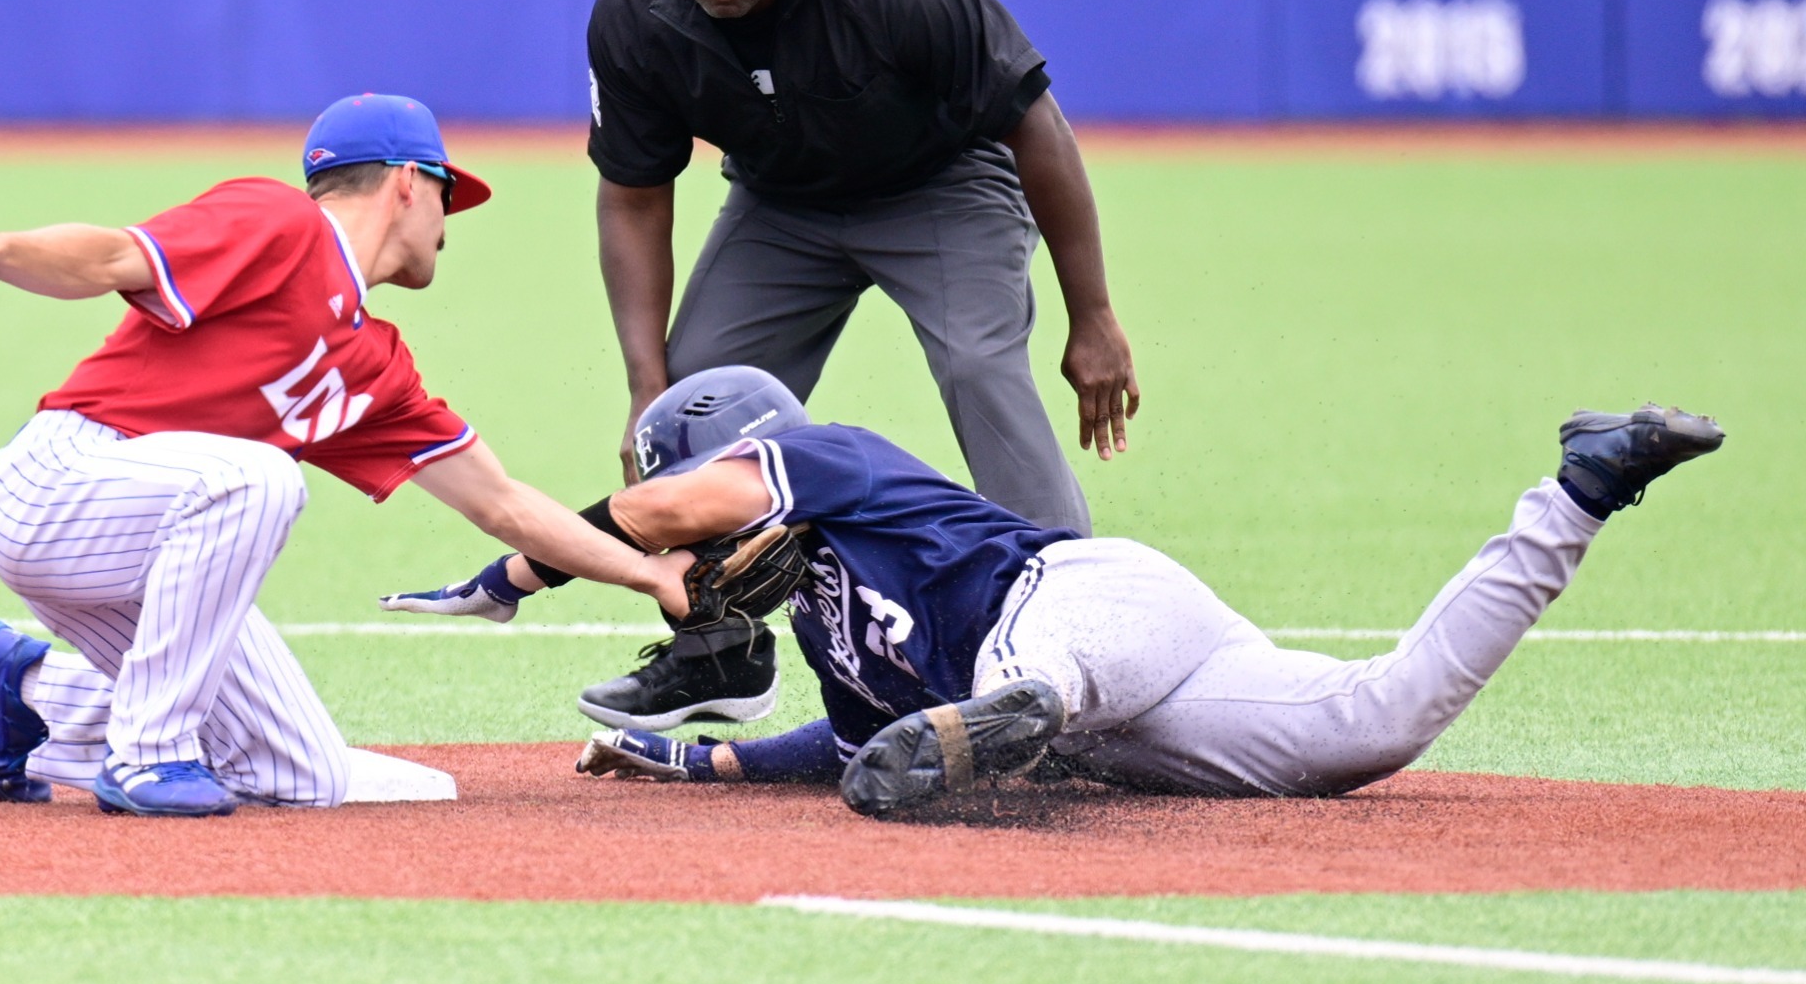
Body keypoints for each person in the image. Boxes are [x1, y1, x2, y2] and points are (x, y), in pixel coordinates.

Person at [393, 369, 1724, 815]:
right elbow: (862, 744)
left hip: (1084, 604)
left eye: (691, 515)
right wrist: (702, 759)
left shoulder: (820, 456)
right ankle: (1581, 490)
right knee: (1369, 727)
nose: (683, 564)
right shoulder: (823, 619)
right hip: (1121, 712)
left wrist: (520, 562)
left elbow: (662, 512)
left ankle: (1022, 714)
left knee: (1021, 684)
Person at [0, 94, 690, 818]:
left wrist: (649, 571)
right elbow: (115, 257)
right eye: (449, 194)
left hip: (160, 548)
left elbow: (504, 504)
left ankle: (31, 691)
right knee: (261, 476)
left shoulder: (374, 366)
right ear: (409, 183)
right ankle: (148, 756)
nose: (450, 223)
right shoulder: (282, 223)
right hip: (60, 489)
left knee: (300, 774)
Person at [577, 0, 1140, 729]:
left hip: (944, 185)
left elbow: (1037, 124)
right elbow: (635, 195)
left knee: (979, 365)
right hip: (781, 206)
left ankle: (1082, 644)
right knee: (690, 411)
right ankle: (713, 654)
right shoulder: (634, 13)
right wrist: (648, 382)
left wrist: (1095, 315)